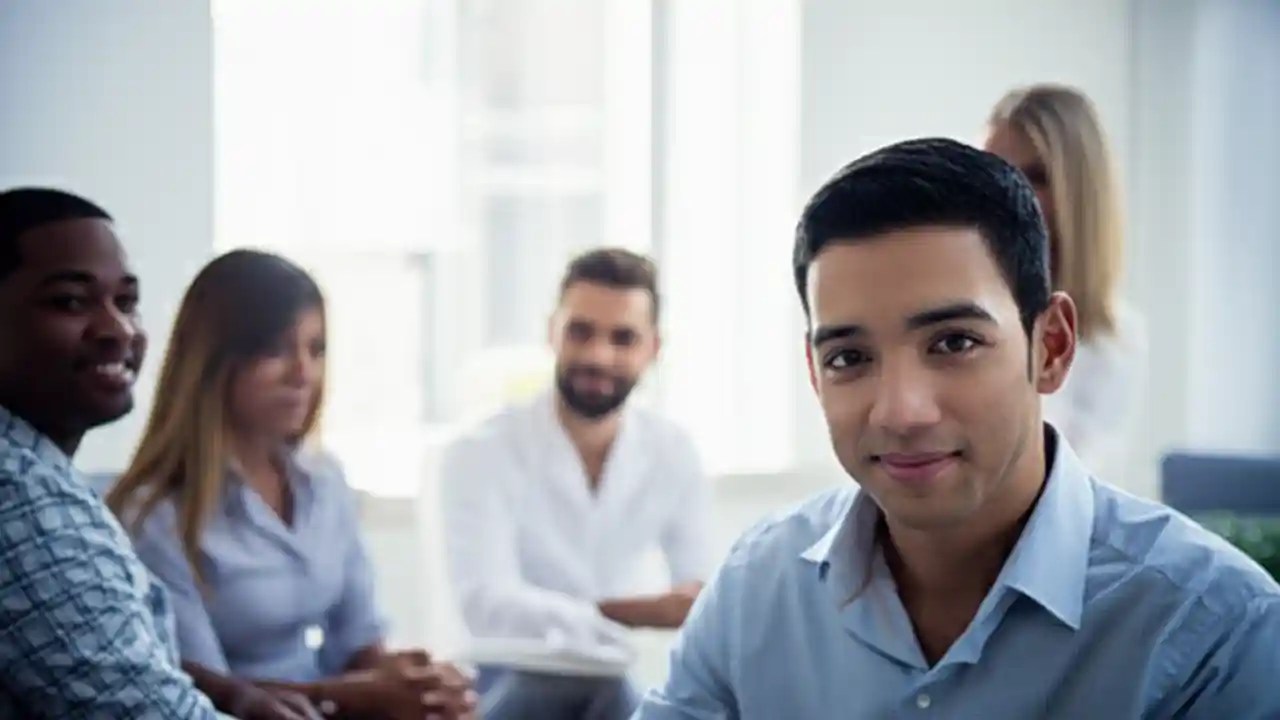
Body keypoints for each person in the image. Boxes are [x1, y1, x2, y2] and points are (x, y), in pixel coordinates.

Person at [636, 138, 1280, 718]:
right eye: (849, 358)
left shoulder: (1214, 629)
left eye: (953, 343)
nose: (899, 411)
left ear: (1050, 347)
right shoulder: (759, 584)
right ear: (814, 372)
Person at [106, 249, 475, 720]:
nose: (304, 374)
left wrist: (416, 682)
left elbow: (358, 642)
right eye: (276, 350)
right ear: (216, 362)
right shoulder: (154, 515)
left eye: (316, 350)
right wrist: (358, 695)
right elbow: (200, 693)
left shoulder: (324, 480)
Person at [442, 248, 713, 720]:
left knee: (631, 695)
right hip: (505, 675)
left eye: (623, 338)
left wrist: (647, 612)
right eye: (580, 331)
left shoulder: (673, 451)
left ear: (653, 348)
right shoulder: (480, 449)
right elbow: (486, 605)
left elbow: (700, 599)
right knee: (604, 692)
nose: (597, 355)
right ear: (553, 332)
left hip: (615, 677)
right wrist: (619, 613)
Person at [0, 187, 220, 718]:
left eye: (126, 302)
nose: (118, 329)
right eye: (70, 302)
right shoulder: (18, 493)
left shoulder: (40, 473)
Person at [984, 84, 1146, 479]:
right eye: (996, 172)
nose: (1009, 193)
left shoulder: (1113, 341)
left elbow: (1072, 478)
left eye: (1036, 175)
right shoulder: (954, 308)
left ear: (1076, 191)